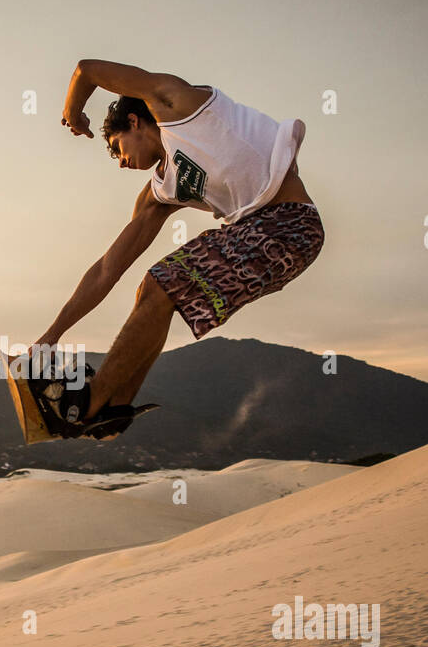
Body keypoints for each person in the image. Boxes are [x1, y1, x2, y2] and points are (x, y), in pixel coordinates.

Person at [33, 59, 325, 439]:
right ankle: (113, 408)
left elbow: (85, 69)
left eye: (117, 148)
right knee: (150, 290)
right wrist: (50, 337)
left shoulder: (177, 107)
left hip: (291, 224)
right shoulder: (159, 194)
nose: (120, 163)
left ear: (135, 122)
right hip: (259, 236)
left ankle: (83, 409)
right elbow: (108, 268)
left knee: (162, 283)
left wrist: (73, 113)